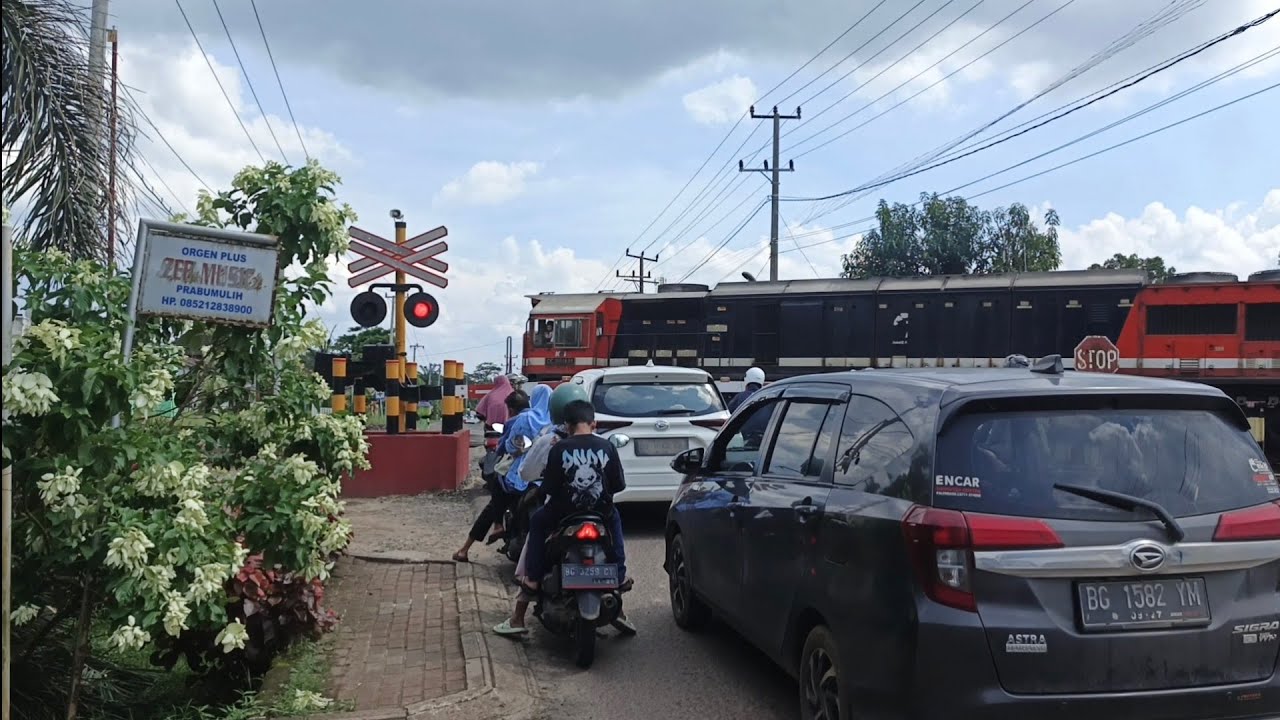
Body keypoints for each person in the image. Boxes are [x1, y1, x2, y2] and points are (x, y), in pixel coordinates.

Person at [493, 397, 635, 638]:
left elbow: (548, 487)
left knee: (537, 523)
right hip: (600, 512)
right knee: (615, 525)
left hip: (564, 514)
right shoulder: (607, 447)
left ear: (567, 425)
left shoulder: (559, 447)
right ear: (594, 423)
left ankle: (533, 582)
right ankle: (619, 576)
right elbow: (618, 485)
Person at [454, 391, 529, 563]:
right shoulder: (547, 421)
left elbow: (505, 447)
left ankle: (494, 527)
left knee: (494, 499)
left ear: (510, 409)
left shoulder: (515, 421)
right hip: (540, 478)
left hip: (519, 476)